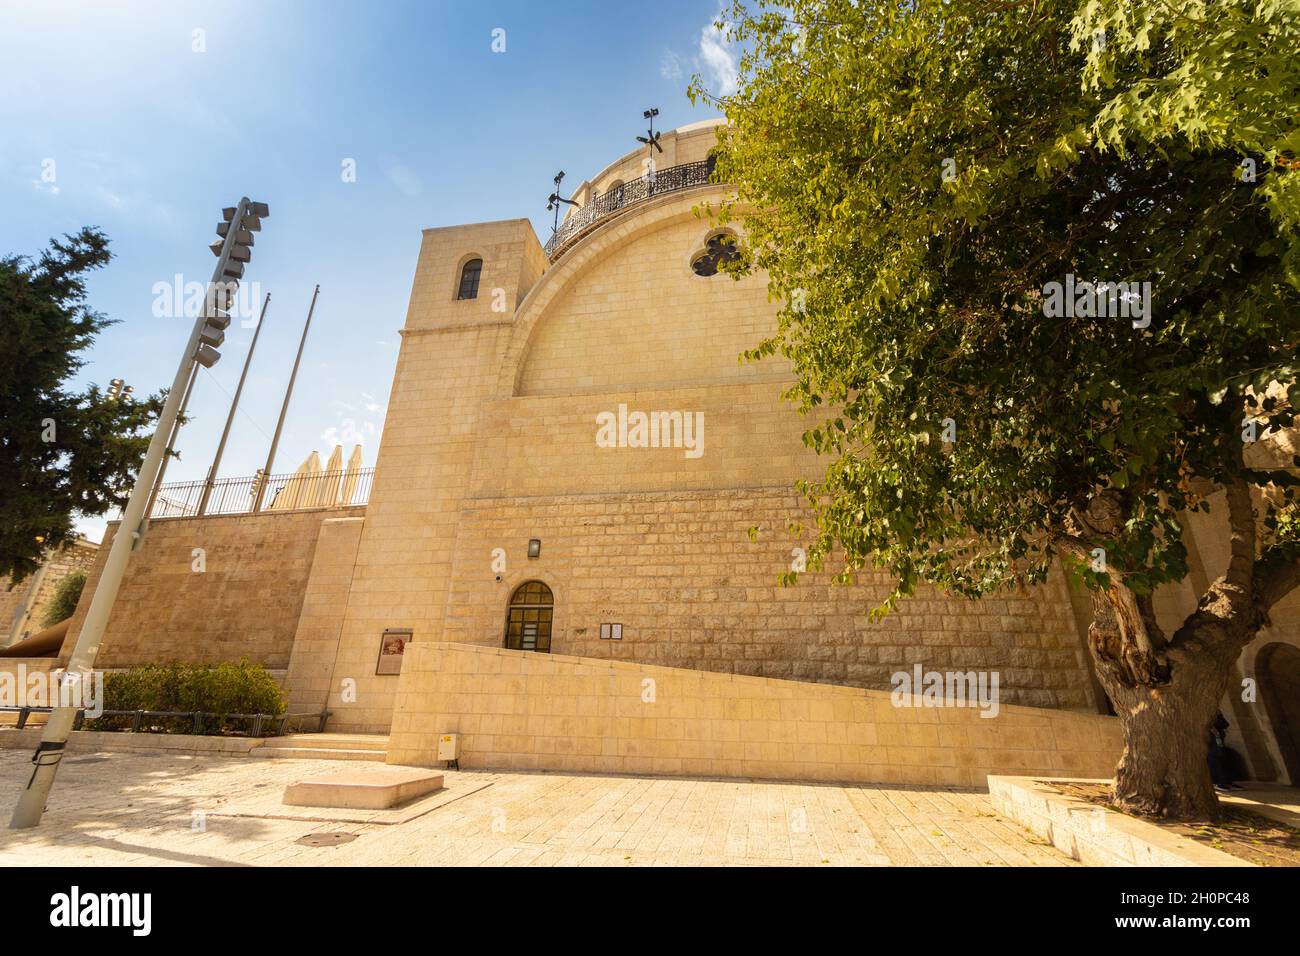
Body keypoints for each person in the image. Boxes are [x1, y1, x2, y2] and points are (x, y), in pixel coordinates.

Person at [1207, 711, 1245, 792]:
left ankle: (1227, 781)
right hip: (1213, 738)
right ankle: (1217, 782)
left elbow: (1224, 722)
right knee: (1215, 758)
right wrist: (1213, 730)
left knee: (1224, 758)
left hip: (1218, 736)